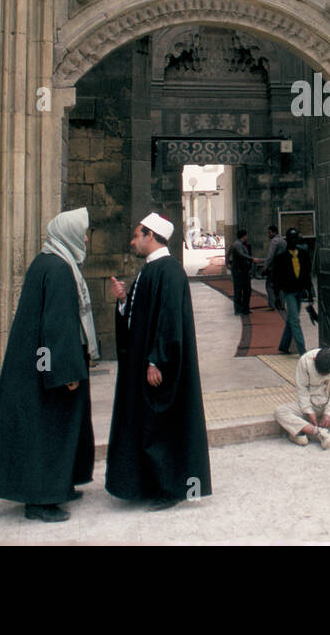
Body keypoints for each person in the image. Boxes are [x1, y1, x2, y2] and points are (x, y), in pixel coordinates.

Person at [0, 208, 97, 522]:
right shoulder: (59, 268)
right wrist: (66, 372)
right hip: (50, 373)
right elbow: (57, 325)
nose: (85, 238)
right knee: (48, 431)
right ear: (69, 234)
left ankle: (58, 487)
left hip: (37, 369)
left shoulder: (47, 262)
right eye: (82, 232)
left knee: (50, 430)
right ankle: (41, 500)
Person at [106, 212, 212, 510]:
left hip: (158, 368)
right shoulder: (150, 270)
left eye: (136, 235)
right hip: (145, 365)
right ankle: (150, 485)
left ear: (150, 235)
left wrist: (157, 360)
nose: (132, 241)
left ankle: (171, 489)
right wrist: (123, 300)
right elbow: (141, 318)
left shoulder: (169, 271)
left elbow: (169, 322)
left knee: (162, 427)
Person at [273, 227, 314, 356]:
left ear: (297, 239)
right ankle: (302, 351)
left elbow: (307, 274)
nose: (292, 240)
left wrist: (309, 291)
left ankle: (284, 345)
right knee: (295, 320)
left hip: (300, 290)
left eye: (294, 238)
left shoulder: (303, 254)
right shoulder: (281, 257)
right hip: (289, 291)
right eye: (290, 238)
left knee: (292, 318)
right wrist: (277, 296)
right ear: (287, 240)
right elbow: (277, 278)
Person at [226, 228, 253, 316]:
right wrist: (252, 259)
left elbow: (228, 253)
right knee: (239, 291)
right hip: (239, 271)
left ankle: (245, 308)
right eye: (246, 235)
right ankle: (239, 309)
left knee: (246, 290)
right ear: (244, 236)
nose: (247, 237)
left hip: (243, 271)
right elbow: (242, 255)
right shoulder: (237, 244)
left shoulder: (241, 244)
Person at [261, 224, 287, 311]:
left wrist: (265, 266)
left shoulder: (274, 241)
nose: (268, 235)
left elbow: (271, 255)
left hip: (275, 268)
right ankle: (282, 305)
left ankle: (272, 305)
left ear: (274, 232)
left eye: (269, 233)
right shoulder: (283, 241)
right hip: (283, 268)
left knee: (269, 286)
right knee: (281, 286)